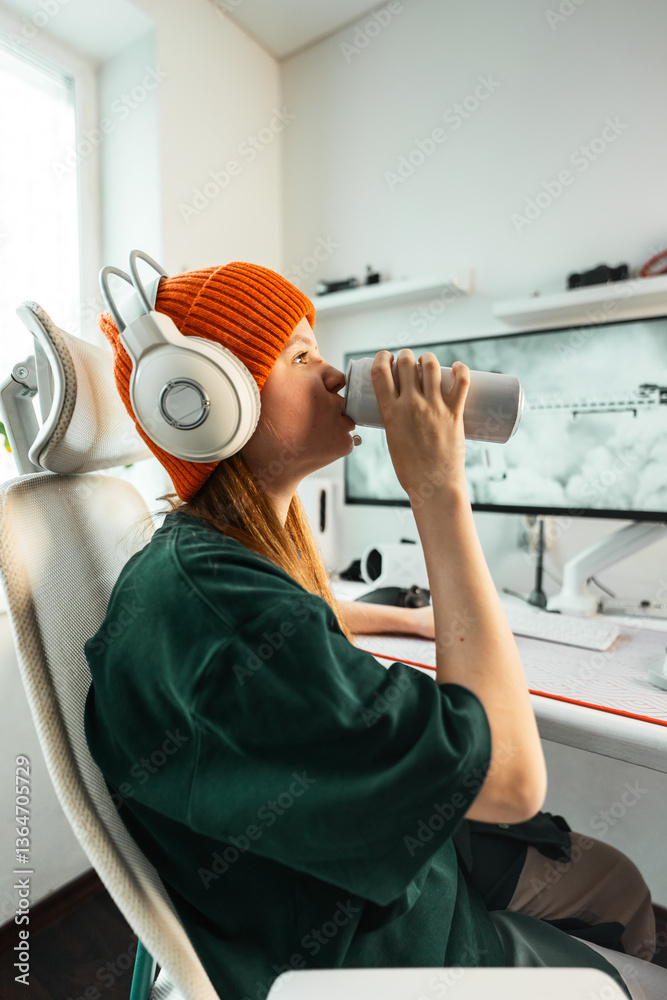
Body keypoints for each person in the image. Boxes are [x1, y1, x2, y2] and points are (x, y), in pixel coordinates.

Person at [84, 262, 667, 1000]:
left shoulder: (201, 561)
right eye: (299, 356)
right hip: (375, 945)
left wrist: (406, 617)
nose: (334, 377)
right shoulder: (231, 612)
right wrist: (438, 488)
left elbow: (296, 614)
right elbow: (511, 781)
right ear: (205, 402)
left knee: (609, 877)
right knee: (606, 898)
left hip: (346, 878)